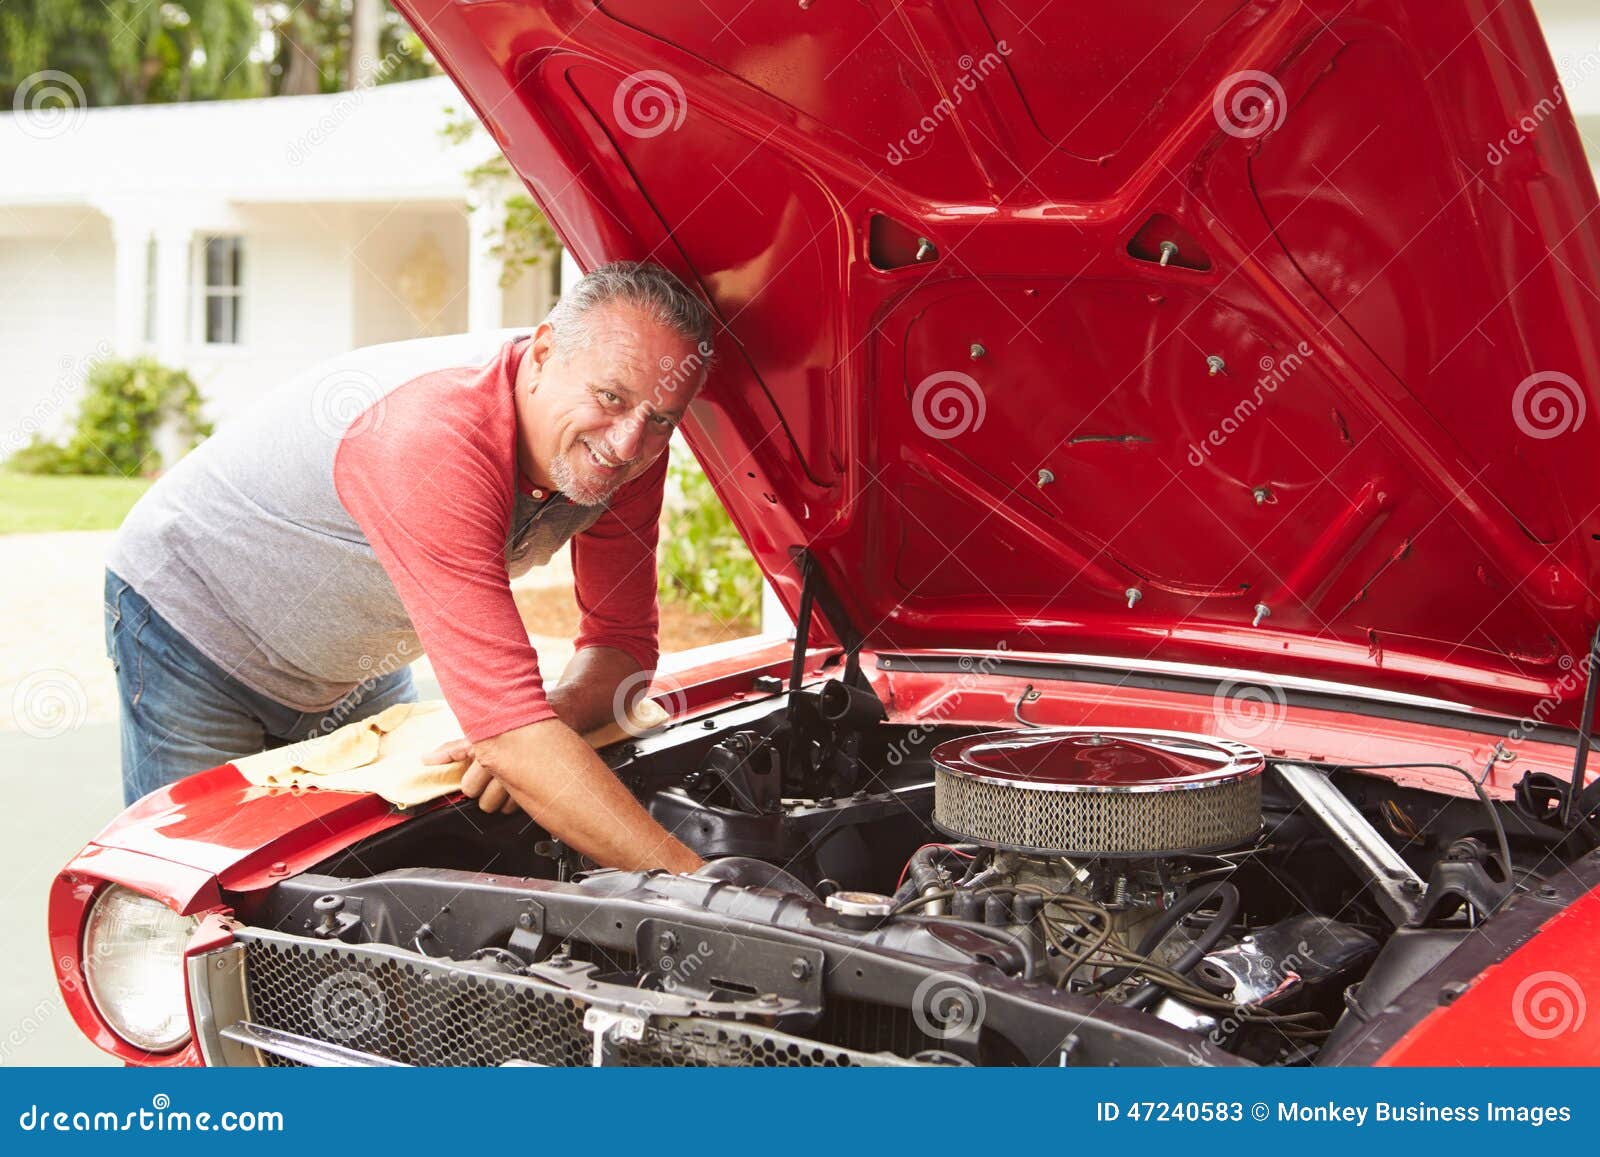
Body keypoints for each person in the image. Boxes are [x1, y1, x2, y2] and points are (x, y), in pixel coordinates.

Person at [104, 261, 711, 873]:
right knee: (209, 881)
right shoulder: (430, 436)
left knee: (368, 868)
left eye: (661, 419)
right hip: (193, 628)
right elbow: (510, 732)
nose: (628, 443)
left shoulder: (625, 448)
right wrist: (710, 890)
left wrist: (550, 719)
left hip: (359, 656)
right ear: (546, 351)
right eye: (610, 396)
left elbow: (622, 643)